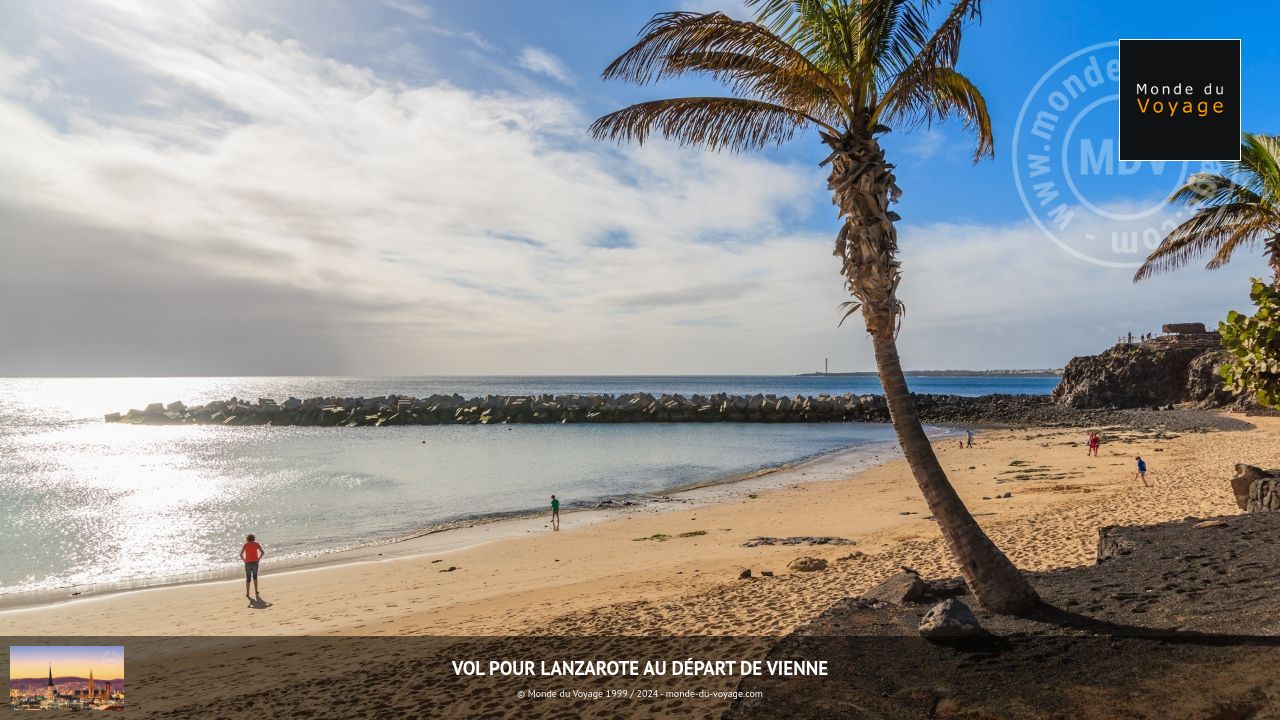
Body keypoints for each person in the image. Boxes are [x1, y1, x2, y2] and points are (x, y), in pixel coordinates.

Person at [240, 533, 265, 598]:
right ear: (253, 539)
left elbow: (241, 554)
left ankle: (247, 593)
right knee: (255, 577)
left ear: (247, 539)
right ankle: (256, 591)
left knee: (248, 578)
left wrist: (244, 560)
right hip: (255, 562)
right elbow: (262, 552)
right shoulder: (256, 544)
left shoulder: (245, 545)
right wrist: (258, 559)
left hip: (247, 563)